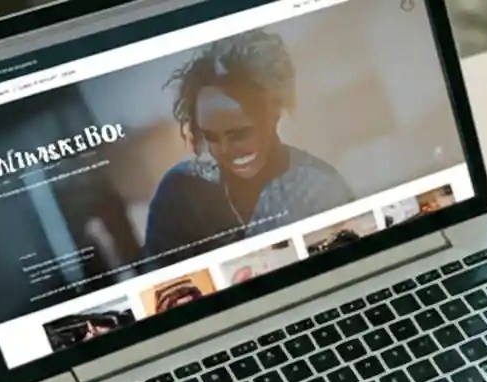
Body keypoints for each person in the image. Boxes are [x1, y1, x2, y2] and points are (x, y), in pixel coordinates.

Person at [141, 30, 353, 269]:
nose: (225, 150)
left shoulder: (319, 187)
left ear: (272, 115)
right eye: (211, 137)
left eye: (239, 134)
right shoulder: (179, 191)